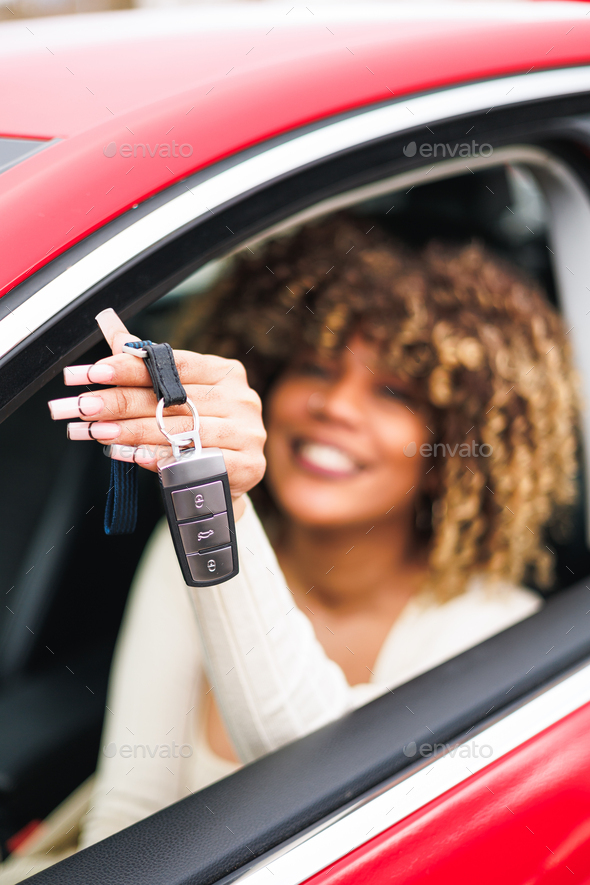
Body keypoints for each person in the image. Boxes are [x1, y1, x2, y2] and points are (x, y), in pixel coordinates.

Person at [0, 212, 578, 880]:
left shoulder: (495, 630)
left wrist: (220, 502)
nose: (335, 405)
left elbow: (313, 779)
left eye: (393, 391)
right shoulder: (180, 544)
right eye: (314, 367)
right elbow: (129, 817)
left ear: (455, 447)